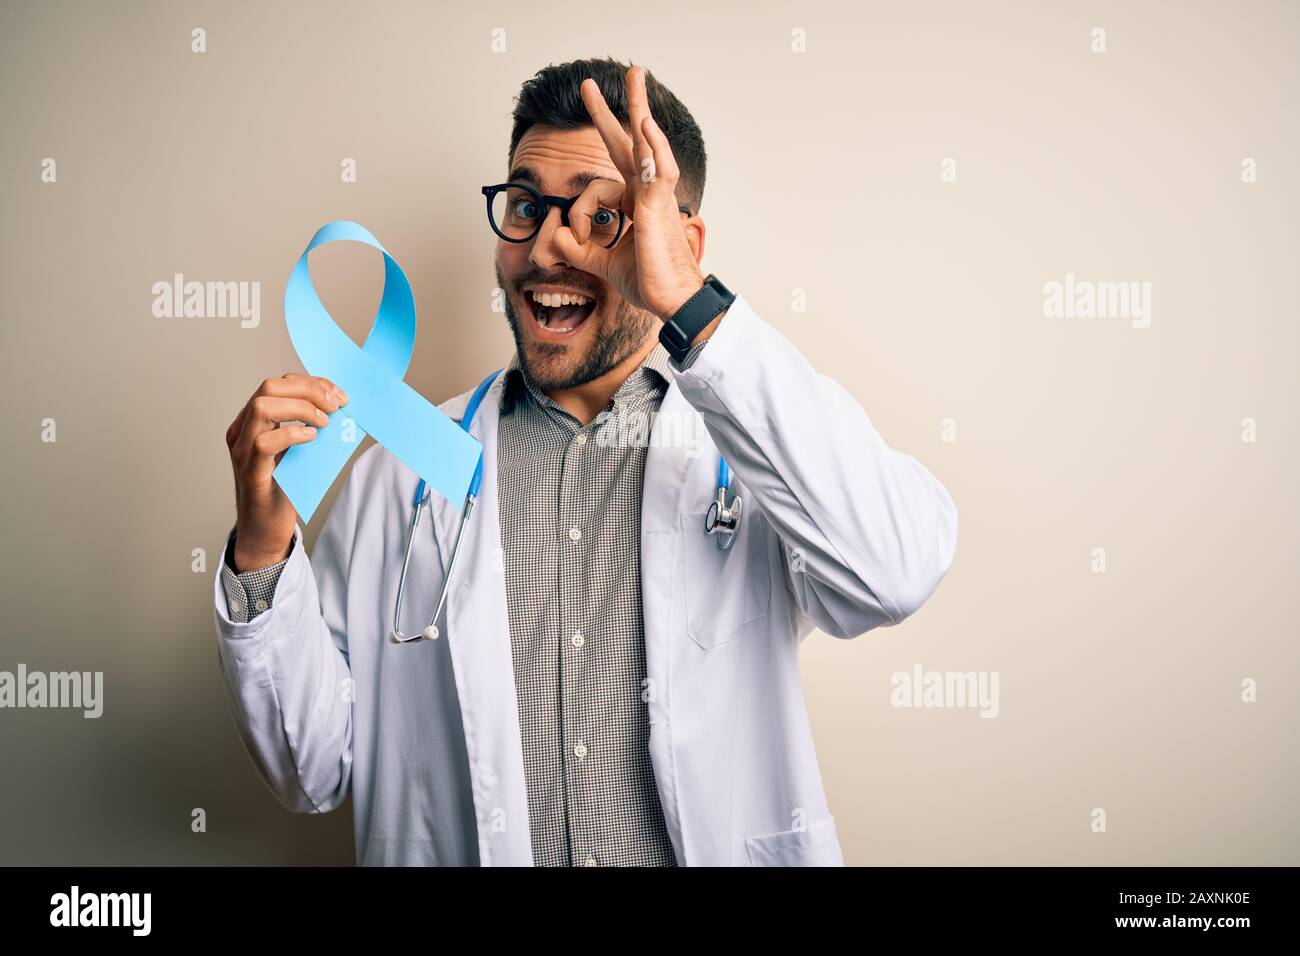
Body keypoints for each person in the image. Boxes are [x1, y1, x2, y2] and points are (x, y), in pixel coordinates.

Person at [216, 57, 958, 866]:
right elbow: (311, 769)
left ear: (680, 243)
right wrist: (261, 548)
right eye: (528, 206)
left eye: (603, 217)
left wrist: (692, 306)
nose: (547, 250)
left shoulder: (745, 450)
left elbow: (892, 571)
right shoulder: (405, 473)